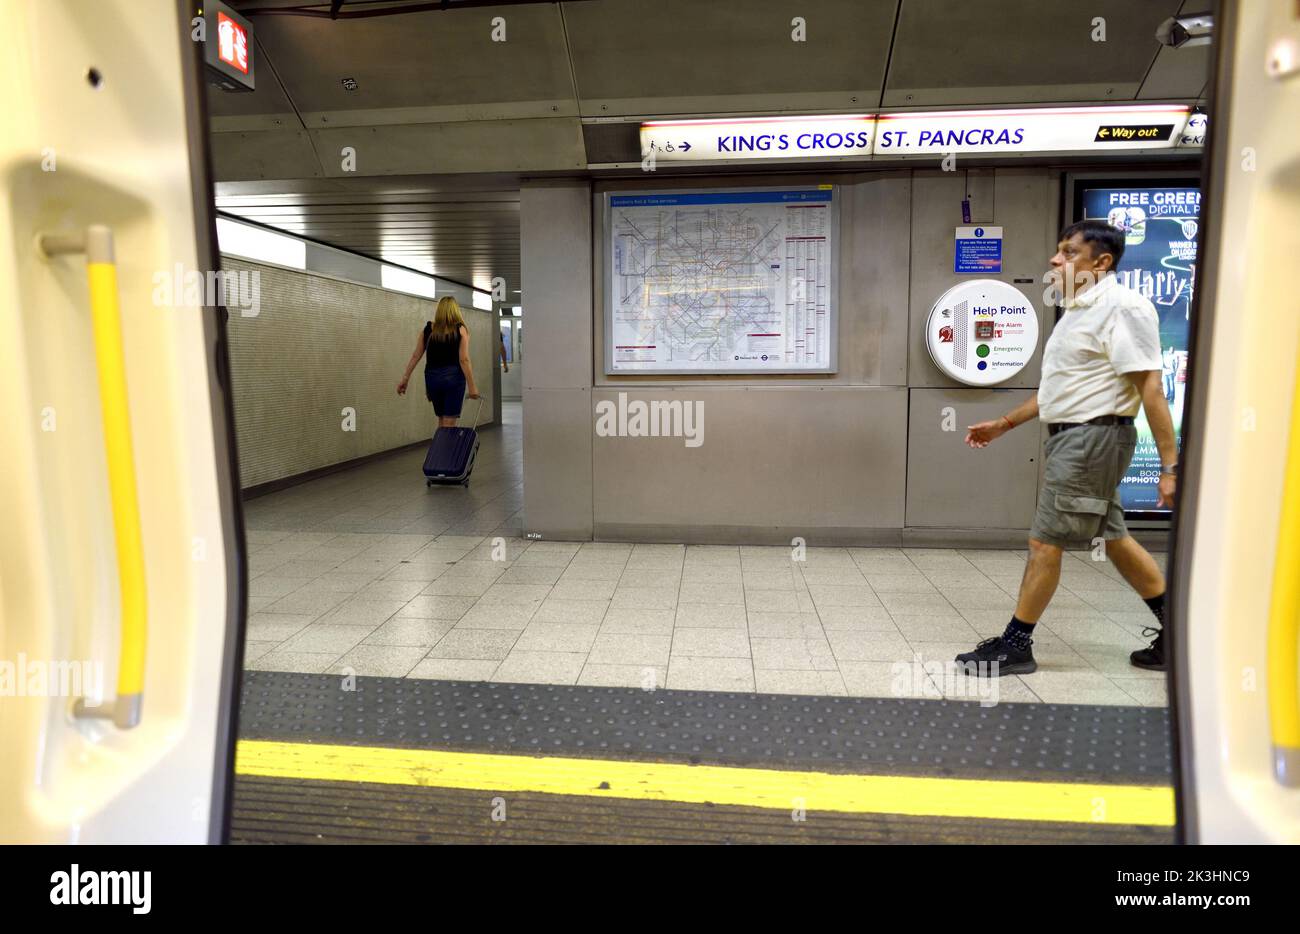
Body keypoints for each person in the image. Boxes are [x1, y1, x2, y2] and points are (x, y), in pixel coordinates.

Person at [957, 220, 1178, 675]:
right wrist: (1004, 423)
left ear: (1102, 262)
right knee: (1114, 539)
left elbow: (1151, 389)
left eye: (1069, 252)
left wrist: (1171, 466)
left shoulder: (1123, 308)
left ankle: (1016, 644)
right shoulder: (1079, 310)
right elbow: (1058, 389)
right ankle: (1179, 633)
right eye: (1058, 251)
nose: (1056, 260)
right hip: (1078, 439)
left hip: (1090, 440)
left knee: (1044, 542)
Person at [396, 296, 480, 428]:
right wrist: (472, 386)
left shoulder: (429, 329)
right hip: (453, 378)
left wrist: (405, 379)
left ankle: (440, 449)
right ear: (455, 310)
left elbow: (415, 356)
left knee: (441, 421)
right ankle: (447, 449)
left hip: (432, 378)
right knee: (449, 423)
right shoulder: (460, 329)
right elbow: (464, 360)